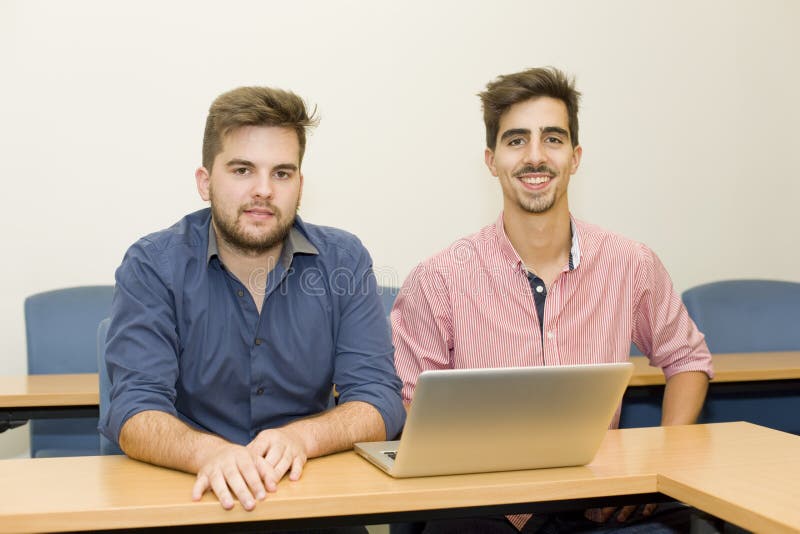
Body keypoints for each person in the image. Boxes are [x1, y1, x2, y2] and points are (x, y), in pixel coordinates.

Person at [391, 67, 713, 533]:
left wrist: (661, 462)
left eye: (553, 139)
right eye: (516, 140)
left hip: (596, 493)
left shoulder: (631, 263)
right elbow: (409, 405)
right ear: (491, 160)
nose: (535, 156)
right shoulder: (438, 279)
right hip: (482, 504)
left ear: (575, 157)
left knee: (693, 518)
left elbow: (687, 360)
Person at [100, 86, 405, 528]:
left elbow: (378, 399)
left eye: (281, 173)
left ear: (300, 185)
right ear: (205, 181)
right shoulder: (153, 265)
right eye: (242, 170)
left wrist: (303, 437)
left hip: (310, 498)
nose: (264, 190)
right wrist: (209, 453)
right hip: (191, 499)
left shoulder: (345, 260)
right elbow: (134, 409)